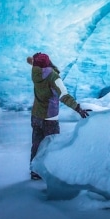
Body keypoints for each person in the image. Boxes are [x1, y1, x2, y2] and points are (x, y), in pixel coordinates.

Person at [26, 52, 90, 180]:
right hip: (49, 117)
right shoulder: (53, 77)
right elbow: (64, 95)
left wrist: (34, 61)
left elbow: (33, 62)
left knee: (36, 144)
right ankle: (52, 172)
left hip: (36, 115)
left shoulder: (35, 72)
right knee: (53, 145)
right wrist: (78, 108)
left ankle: (34, 171)